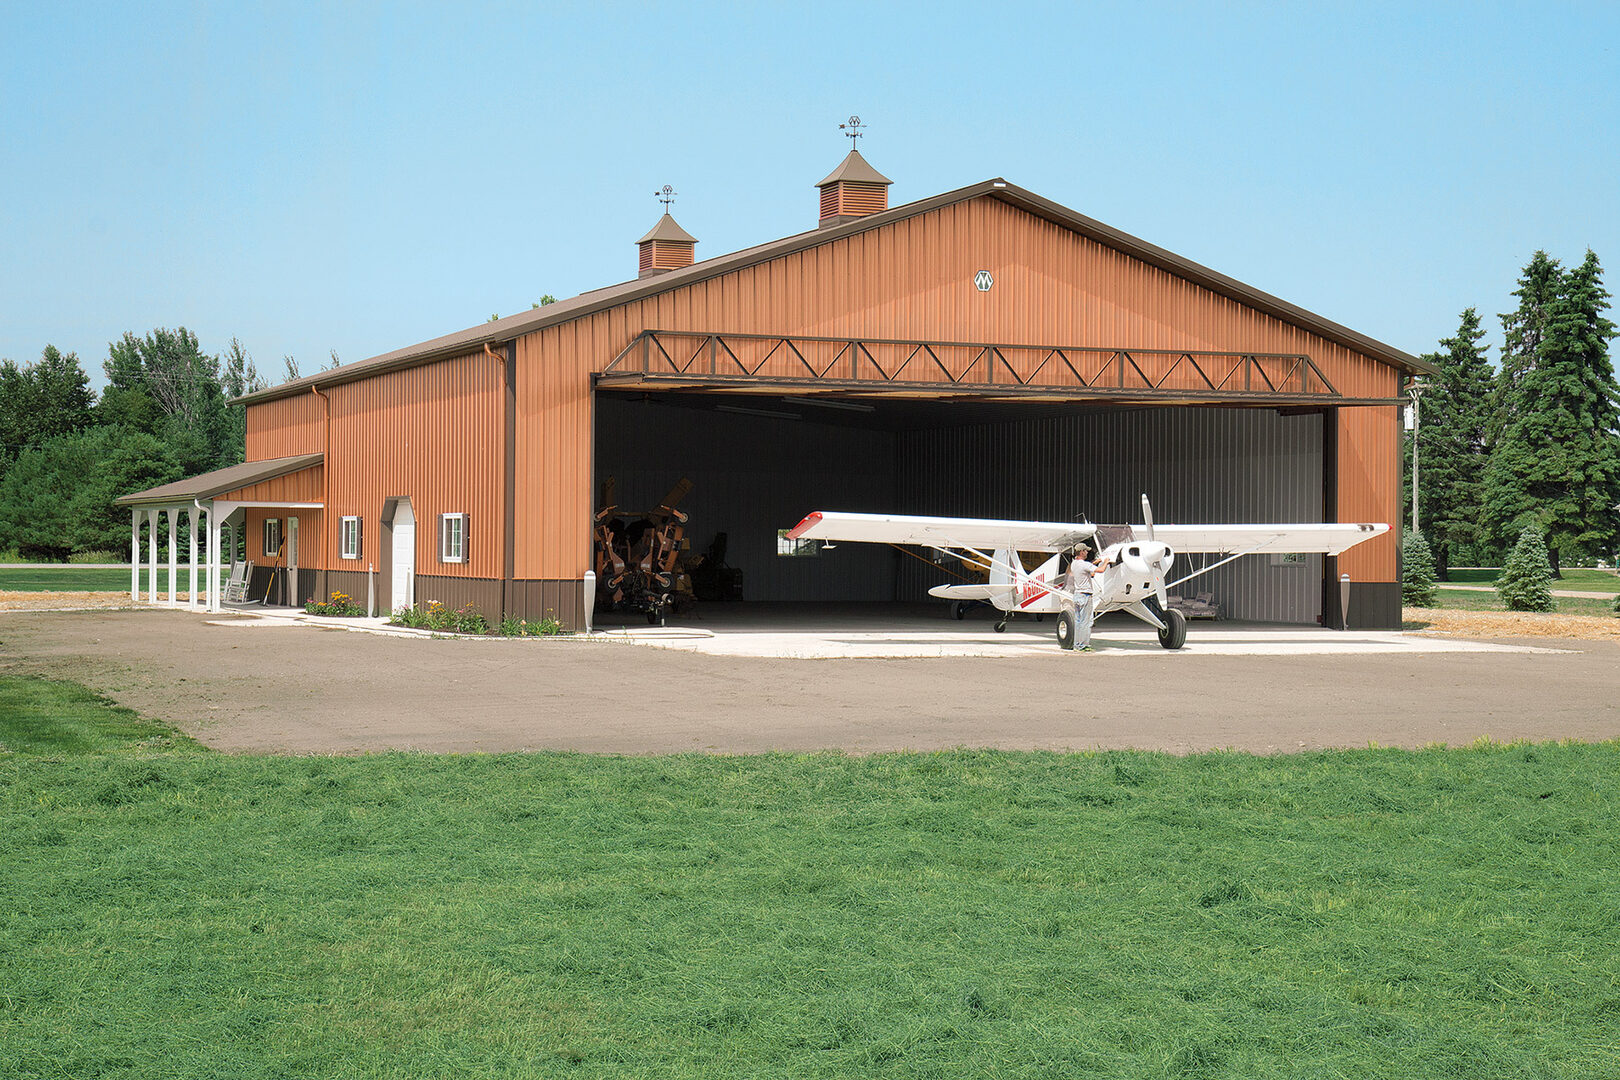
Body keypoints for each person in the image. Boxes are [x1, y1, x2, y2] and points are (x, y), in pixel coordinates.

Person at [1066, 542, 1111, 651]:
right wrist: (1106, 562)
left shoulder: (1074, 564)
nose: (1087, 552)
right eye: (1085, 551)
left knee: (1078, 622)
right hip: (1085, 596)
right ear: (1081, 552)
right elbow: (1100, 570)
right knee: (1086, 622)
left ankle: (1077, 645)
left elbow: (1087, 567)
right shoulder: (1084, 565)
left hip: (1077, 595)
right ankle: (1083, 645)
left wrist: (1096, 562)